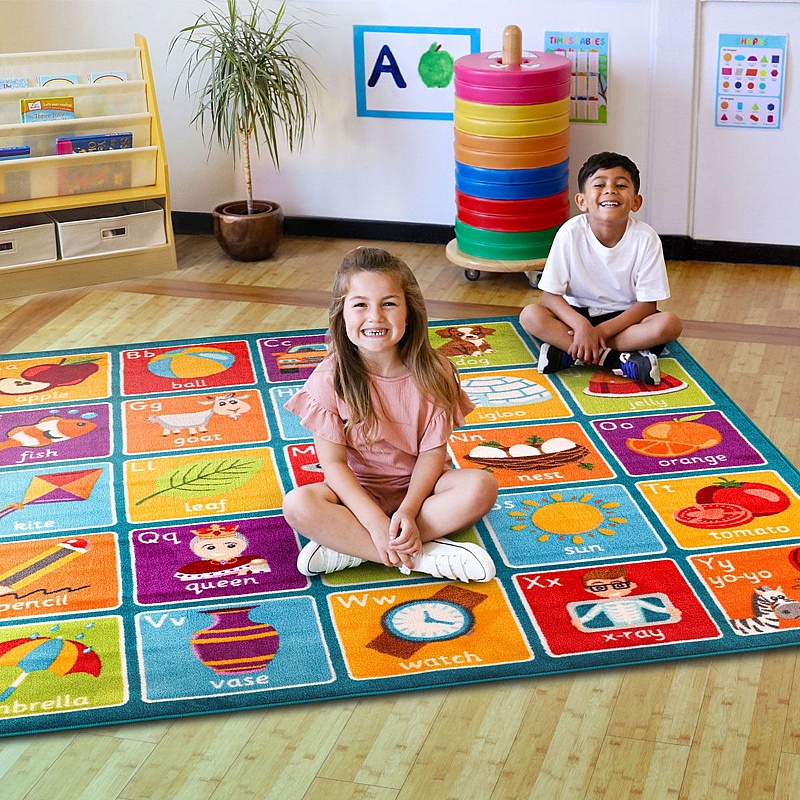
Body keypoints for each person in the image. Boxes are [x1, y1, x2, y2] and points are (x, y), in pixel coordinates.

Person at [283, 247, 498, 582]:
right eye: (360, 305)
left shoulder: (435, 372)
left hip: (423, 492)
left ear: (409, 311)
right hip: (356, 495)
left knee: (481, 486)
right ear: (341, 314)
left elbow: (431, 454)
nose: (375, 317)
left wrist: (409, 510)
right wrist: (374, 522)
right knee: (298, 504)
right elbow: (334, 465)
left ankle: (350, 548)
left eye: (389, 304)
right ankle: (422, 557)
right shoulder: (329, 378)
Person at [519, 152, 682, 385]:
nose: (610, 191)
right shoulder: (570, 233)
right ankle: (615, 360)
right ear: (582, 201)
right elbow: (550, 297)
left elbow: (647, 305)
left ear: (636, 201)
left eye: (620, 185)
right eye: (599, 185)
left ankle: (571, 352)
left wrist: (599, 333)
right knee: (531, 315)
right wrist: (582, 326)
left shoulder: (646, 238)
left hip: (623, 321)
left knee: (669, 324)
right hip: (575, 317)